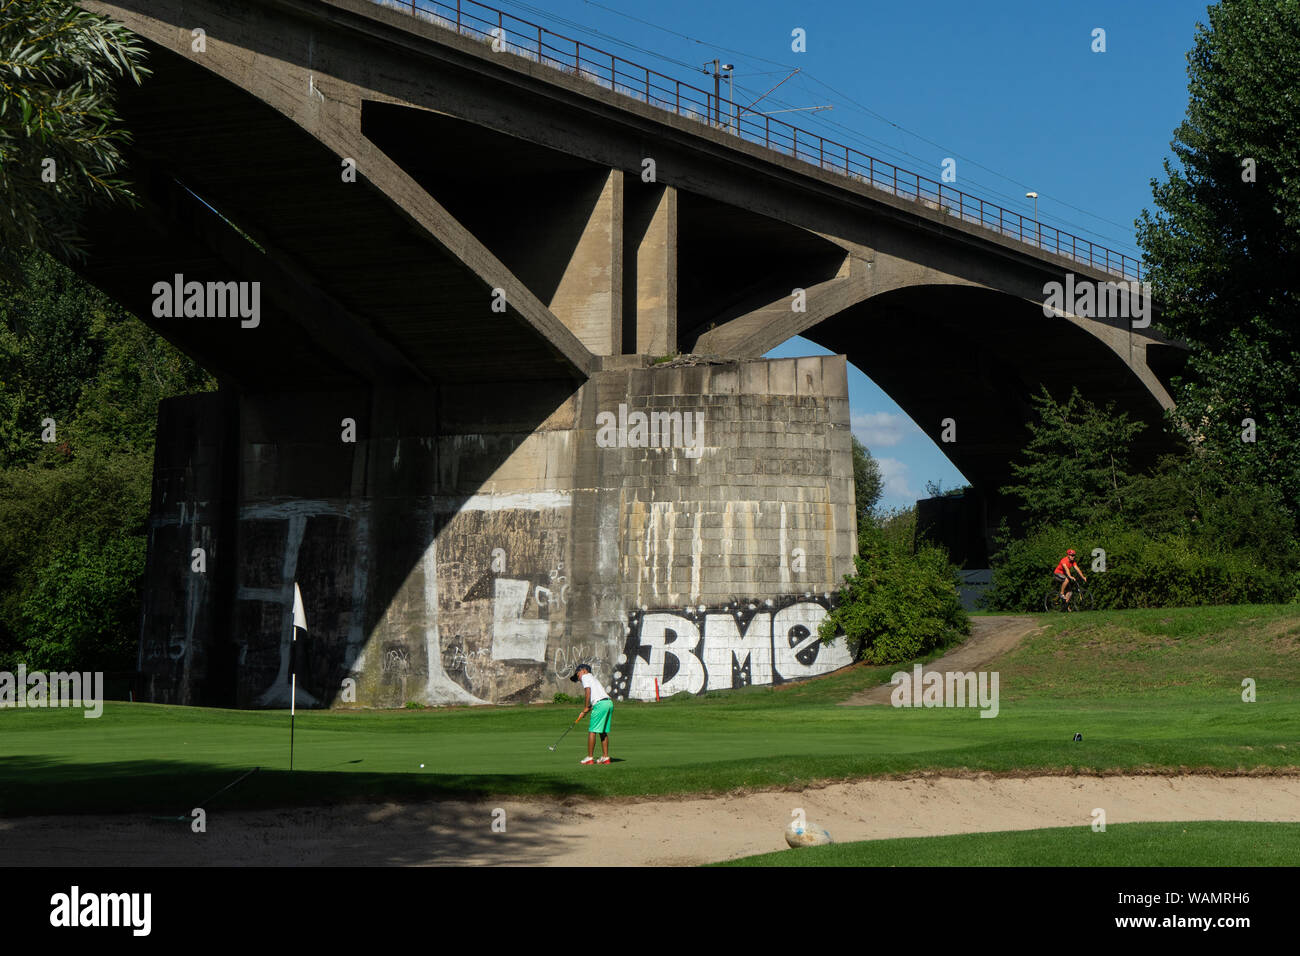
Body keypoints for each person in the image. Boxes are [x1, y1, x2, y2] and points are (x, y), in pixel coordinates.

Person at [570, 662, 612, 765]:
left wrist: (585, 708)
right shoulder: (594, 679)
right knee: (602, 731)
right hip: (608, 703)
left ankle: (589, 758)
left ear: (583, 670)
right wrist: (586, 711)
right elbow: (595, 700)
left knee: (592, 731)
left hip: (600, 705)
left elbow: (588, 692)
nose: (578, 678)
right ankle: (605, 757)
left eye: (577, 675)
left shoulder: (585, 676)